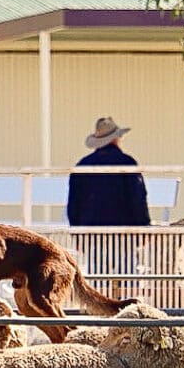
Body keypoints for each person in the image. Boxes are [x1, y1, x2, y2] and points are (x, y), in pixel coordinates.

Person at [67, 116, 150, 293]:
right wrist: (144, 227)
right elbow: (138, 199)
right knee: (129, 279)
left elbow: (74, 205)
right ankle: (130, 315)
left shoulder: (82, 166)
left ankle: (99, 316)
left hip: (92, 233)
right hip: (124, 233)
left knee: (98, 281)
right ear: (116, 138)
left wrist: (77, 234)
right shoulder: (127, 163)